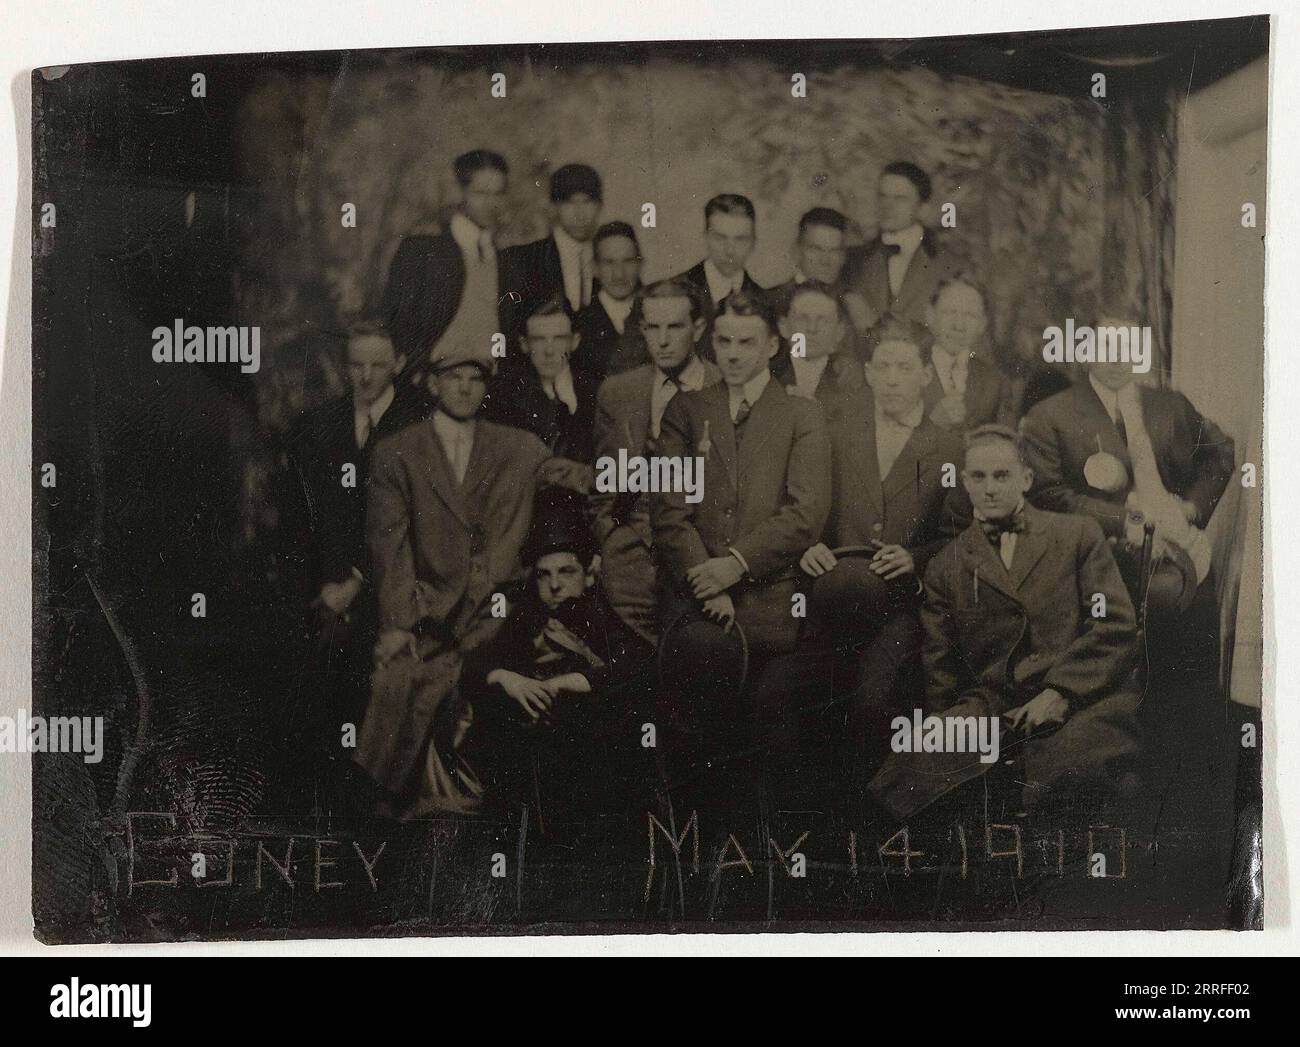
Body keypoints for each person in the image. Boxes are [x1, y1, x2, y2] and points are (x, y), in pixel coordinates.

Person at [870, 424, 1141, 822]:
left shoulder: (1077, 535)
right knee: (911, 771)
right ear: (964, 482)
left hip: (1082, 699)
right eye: (978, 477)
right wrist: (950, 726)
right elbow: (940, 667)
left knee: (1074, 774)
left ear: (1026, 479)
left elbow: (1114, 626)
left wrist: (1060, 691)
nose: (990, 488)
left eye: (1002, 475)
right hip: (993, 706)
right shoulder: (948, 564)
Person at [651, 288, 831, 805]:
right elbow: (668, 511)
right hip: (695, 602)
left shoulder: (803, 415)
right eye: (723, 340)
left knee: (768, 736)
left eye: (746, 342)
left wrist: (734, 567)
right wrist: (705, 580)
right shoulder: (685, 411)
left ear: (773, 345)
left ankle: (760, 861)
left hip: (770, 606)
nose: (731, 353)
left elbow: (805, 514)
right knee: (692, 738)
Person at [355, 345, 550, 817]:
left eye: (475, 379)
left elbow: (563, 474)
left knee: (463, 681)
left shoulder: (518, 447)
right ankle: (378, 796)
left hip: (493, 612)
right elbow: (391, 550)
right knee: (401, 679)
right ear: (431, 384)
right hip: (428, 614)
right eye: (453, 377)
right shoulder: (397, 453)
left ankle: (445, 801)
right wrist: (399, 623)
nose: (464, 388)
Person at [799, 316, 963, 786]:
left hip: (901, 609)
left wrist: (916, 557)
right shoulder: (834, 434)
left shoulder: (949, 447)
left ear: (926, 374)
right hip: (832, 601)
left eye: (905, 367)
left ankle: (869, 827)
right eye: (883, 366)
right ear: (867, 372)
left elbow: (958, 535)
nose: (892, 379)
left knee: (874, 705)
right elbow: (806, 510)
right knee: (792, 699)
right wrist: (809, 548)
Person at [280, 320, 431, 803]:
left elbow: (418, 524)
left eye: (377, 366)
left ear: (400, 365)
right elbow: (299, 524)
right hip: (326, 601)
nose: (365, 377)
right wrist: (323, 588)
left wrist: (359, 581)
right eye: (356, 366)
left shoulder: (422, 427)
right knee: (318, 719)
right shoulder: (314, 428)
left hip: (392, 598)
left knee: (378, 727)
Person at [460, 488, 654, 822]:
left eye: (567, 572)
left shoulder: (599, 615)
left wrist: (575, 681)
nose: (555, 585)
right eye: (544, 575)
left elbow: (637, 662)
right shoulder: (525, 618)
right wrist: (508, 679)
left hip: (588, 757)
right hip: (526, 753)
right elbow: (478, 663)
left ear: (587, 573)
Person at [1019, 332, 1234, 620]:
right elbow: (1048, 495)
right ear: (1085, 352)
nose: (1118, 357)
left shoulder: (1170, 405)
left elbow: (1219, 453)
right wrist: (1125, 521)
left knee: (1188, 658)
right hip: (1100, 567)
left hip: (1186, 559)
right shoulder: (1049, 415)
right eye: (1106, 346)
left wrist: (1191, 507)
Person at [589, 278, 722, 643]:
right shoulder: (619, 391)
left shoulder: (724, 386)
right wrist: (612, 541)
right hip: (630, 564)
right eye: (653, 327)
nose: (662, 341)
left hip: (701, 561)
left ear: (698, 328)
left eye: (674, 327)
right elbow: (604, 486)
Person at [382, 149, 512, 373]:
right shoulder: (423, 248)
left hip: (486, 381)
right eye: (480, 193)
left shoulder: (501, 256)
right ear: (461, 192)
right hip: (432, 378)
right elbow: (397, 320)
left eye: (498, 194)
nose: (491, 203)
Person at [485, 296, 600, 492]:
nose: (549, 350)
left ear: (574, 341)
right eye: (538, 340)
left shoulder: (597, 392)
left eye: (559, 339)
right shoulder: (504, 397)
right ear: (524, 344)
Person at [845, 161, 960, 327]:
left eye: (900, 199)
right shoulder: (851, 261)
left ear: (922, 208)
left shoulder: (951, 267)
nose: (887, 206)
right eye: (883, 196)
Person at [500, 163, 604, 327]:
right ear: (554, 207)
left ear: (599, 207)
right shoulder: (522, 258)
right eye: (569, 203)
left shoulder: (609, 259)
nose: (580, 214)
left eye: (587, 202)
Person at [674, 193, 766, 359]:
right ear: (706, 237)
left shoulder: (765, 301)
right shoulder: (674, 291)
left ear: (753, 242)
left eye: (740, 239)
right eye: (720, 238)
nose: (729, 250)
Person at [922, 274, 1016, 431]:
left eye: (970, 315)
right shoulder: (901, 369)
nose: (959, 326)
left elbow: (1005, 451)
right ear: (930, 315)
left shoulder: (996, 383)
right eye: (950, 312)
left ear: (982, 324)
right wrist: (933, 425)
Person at [573, 221, 647, 378]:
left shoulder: (658, 314)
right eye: (609, 262)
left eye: (628, 261)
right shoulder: (578, 324)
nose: (619, 274)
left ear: (640, 263)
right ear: (594, 267)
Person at [774, 280, 864, 403]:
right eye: (802, 319)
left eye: (824, 321)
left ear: (839, 332)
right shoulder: (768, 375)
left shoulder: (851, 380)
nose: (812, 328)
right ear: (784, 327)